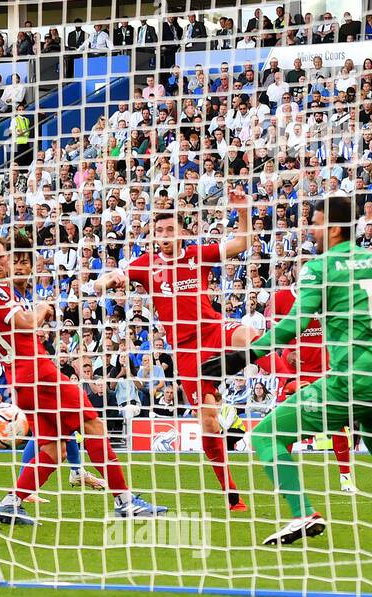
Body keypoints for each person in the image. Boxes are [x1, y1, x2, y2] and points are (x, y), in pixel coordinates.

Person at [204, 195, 372, 544]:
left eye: (316, 224)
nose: (311, 230)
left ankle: (303, 514)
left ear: (333, 228)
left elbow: (294, 325)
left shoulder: (319, 269)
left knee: (266, 435)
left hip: (351, 378)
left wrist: (243, 357)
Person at [90, 196, 255, 512]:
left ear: (182, 233)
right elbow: (103, 282)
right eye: (159, 231)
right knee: (209, 422)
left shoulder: (198, 255)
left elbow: (241, 243)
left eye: (170, 230)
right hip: (186, 350)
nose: (164, 236)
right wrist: (109, 280)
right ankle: (232, 495)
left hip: (213, 330)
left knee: (249, 335)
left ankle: (287, 382)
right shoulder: (145, 264)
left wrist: (244, 212)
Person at [0, 234, 164, 525]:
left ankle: (10, 503)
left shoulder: (11, 294)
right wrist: (42, 310)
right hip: (38, 373)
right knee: (93, 424)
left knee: (54, 448)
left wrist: (95, 286)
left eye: (2, 257)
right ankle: (124, 501)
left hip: (22, 379)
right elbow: (28, 323)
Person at [264, 281, 357, 491]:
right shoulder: (281, 298)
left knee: (336, 422)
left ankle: (346, 477)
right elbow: (274, 328)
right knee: (286, 424)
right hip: (292, 371)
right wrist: (288, 348)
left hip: (324, 369)